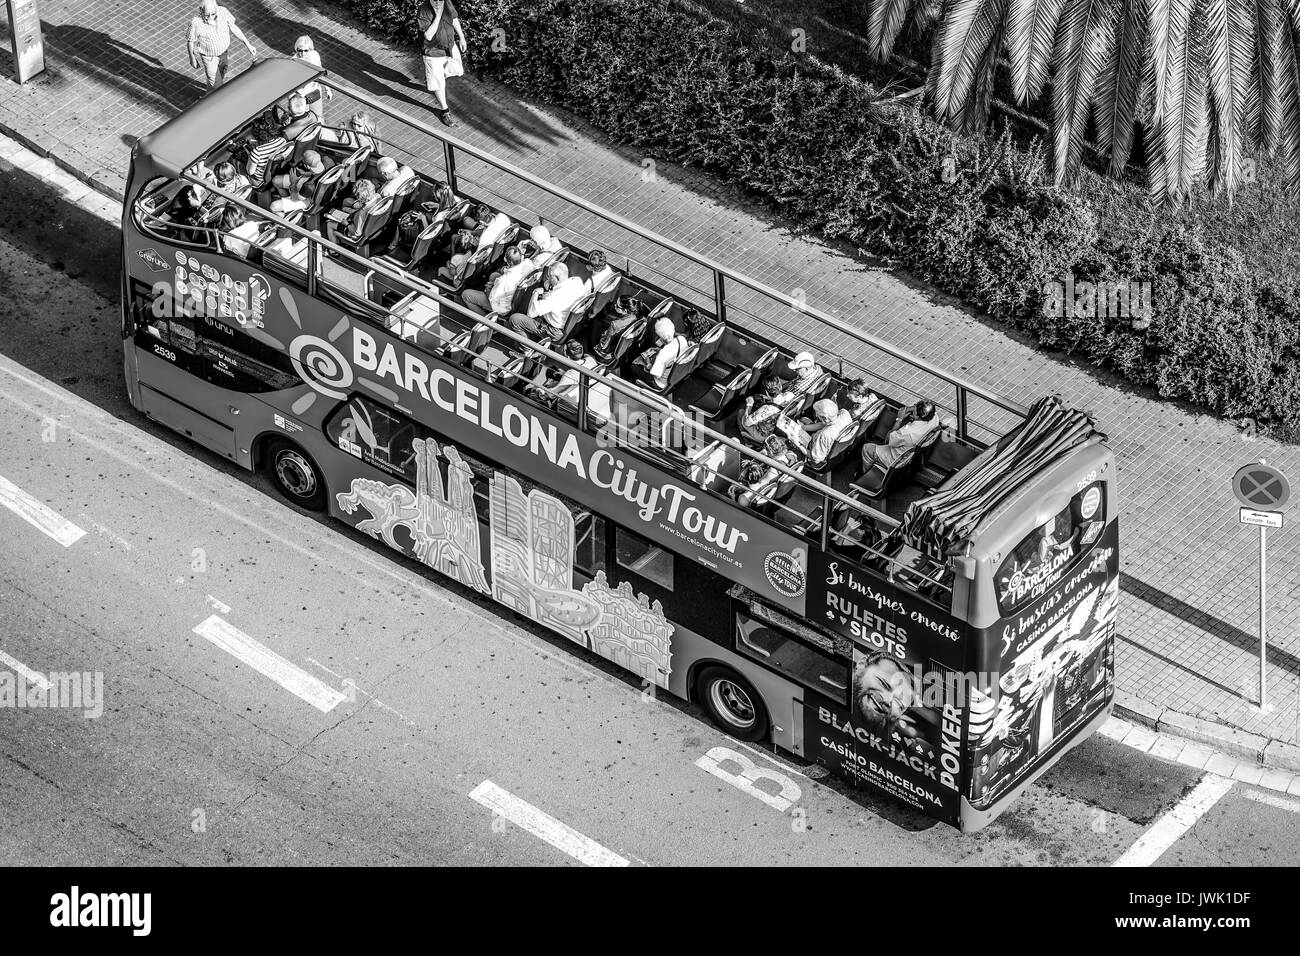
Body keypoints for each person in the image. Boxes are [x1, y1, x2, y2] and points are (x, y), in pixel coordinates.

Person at [417, 0, 467, 126]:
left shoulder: (446, 2)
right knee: (439, 84)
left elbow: (454, 18)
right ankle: (445, 110)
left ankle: (433, 77)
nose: (439, 2)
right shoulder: (423, 10)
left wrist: (461, 37)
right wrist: (438, 16)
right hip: (433, 53)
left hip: (449, 47)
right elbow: (428, 35)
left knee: (457, 69)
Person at [187, 0, 256, 90]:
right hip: (209, 58)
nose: (210, 17)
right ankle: (212, 99)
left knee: (221, 74)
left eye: (213, 14)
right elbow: (190, 41)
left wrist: (248, 44)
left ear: (216, 8)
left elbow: (233, 27)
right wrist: (192, 58)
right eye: (207, 15)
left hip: (223, 53)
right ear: (201, 10)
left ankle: (210, 92)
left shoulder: (223, 11)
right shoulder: (196, 23)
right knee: (217, 85)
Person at [508, 262, 586, 340]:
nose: (548, 278)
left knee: (515, 319)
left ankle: (526, 348)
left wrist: (535, 293)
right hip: (568, 324)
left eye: (550, 276)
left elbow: (531, 313)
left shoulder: (555, 296)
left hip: (553, 331)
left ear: (557, 278)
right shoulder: (576, 281)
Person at [860, 400, 941, 471]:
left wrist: (899, 419)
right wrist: (911, 409)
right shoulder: (934, 417)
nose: (913, 408)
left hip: (895, 460)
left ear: (917, 415)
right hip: (910, 454)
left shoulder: (908, 432)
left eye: (914, 410)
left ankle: (865, 473)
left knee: (866, 448)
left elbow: (889, 440)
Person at [463, 245, 534, 315]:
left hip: (503, 308)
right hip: (518, 296)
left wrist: (488, 289)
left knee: (466, 295)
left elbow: (492, 300)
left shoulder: (503, 280)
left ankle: (487, 321)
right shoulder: (528, 263)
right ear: (521, 257)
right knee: (493, 275)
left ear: (505, 260)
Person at [781, 398, 854, 467]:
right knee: (804, 420)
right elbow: (824, 424)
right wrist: (804, 428)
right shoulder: (844, 413)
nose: (816, 415)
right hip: (835, 449)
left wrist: (797, 443)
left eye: (817, 414)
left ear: (824, 418)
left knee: (783, 440)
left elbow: (815, 459)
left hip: (816, 454)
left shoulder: (825, 435)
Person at [528, 339, 599, 407]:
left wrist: (539, 389)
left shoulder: (570, 374)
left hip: (564, 397)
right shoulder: (591, 360)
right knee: (552, 371)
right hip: (583, 388)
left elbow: (551, 394)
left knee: (530, 391)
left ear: (566, 355)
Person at [632, 317, 689, 390]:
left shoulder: (663, 354)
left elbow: (655, 374)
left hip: (661, 384)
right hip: (677, 376)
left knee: (633, 367)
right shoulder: (681, 339)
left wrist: (648, 363)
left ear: (661, 338)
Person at [739, 374, 796, 443]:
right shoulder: (790, 396)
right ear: (780, 386)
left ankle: (746, 439)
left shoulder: (766, 409)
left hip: (762, 435)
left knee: (741, 412)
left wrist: (749, 404)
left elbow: (747, 422)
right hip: (775, 429)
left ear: (766, 391)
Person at [241, 113, 289, 190]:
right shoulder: (282, 140)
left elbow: (250, 172)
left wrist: (251, 155)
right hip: (276, 171)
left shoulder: (257, 152)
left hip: (260, 180)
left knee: (238, 160)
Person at [291, 36, 332, 122]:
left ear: (310, 49)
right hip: (301, 96)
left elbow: (321, 72)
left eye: (306, 50)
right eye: (300, 50)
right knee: (304, 121)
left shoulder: (314, 56)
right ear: (296, 49)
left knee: (319, 118)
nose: (303, 53)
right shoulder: (294, 61)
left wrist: (327, 89)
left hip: (314, 92)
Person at [588, 294, 639, 361]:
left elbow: (604, 345)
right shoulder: (635, 317)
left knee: (595, 322)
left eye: (617, 306)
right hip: (620, 347)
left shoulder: (614, 325)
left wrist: (604, 335)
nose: (615, 305)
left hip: (605, 353)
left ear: (625, 311)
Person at [325, 179, 377, 243]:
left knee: (330, 224)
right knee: (343, 210)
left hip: (357, 235)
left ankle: (333, 251)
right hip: (373, 229)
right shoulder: (377, 196)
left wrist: (346, 224)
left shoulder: (361, 213)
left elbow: (357, 233)